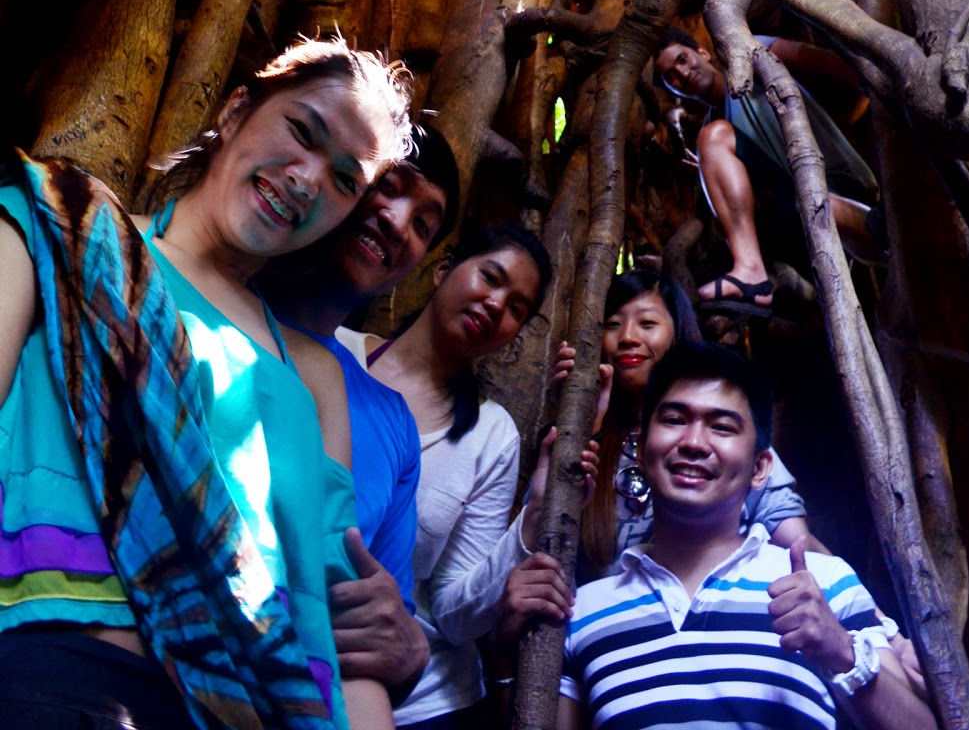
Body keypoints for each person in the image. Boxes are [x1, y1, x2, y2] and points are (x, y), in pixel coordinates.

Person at [0, 37, 411, 730]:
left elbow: (341, 624)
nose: (307, 180)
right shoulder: (56, 232)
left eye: (345, 180)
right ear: (238, 107)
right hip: (52, 679)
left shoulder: (312, 377)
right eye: (302, 132)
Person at [555, 341, 937, 730]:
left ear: (760, 467)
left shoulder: (825, 585)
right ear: (641, 452)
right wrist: (503, 661)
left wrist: (841, 650)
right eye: (673, 419)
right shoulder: (583, 612)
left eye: (721, 427)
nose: (693, 442)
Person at [339, 222, 573, 730]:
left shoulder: (492, 434)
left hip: (425, 702)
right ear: (445, 269)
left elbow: (452, 613)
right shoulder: (335, 350)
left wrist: (532, 516)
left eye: (517, 308)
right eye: (490, 277)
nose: (496, 305)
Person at [264, 124, 463, 700]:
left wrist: (408, 655)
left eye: (423, 225)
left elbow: (383, 619)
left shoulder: (393, 422)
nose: (399, 223)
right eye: (390, 188)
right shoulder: (201, 298)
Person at [556, 268, 818, 581]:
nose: (627, 337)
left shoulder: (729, 445)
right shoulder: (591, 438)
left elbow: (800, 549)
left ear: (677, 333)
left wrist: (864, 619)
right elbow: (545, 541)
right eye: (612, 324)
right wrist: (580, 423)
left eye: (647, 323)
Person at [655, 27, 882, 314]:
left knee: (822, 207)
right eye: (671, 77)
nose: (683, 73)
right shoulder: (714, 143)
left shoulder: (751, 57)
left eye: (683, 60)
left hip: (839, 187)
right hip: (794, 223)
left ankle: (875, 231)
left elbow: (823, 61)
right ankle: (753, 274)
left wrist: (883, 87)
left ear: (702, 51)